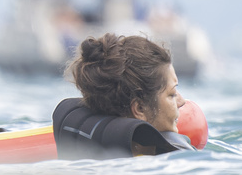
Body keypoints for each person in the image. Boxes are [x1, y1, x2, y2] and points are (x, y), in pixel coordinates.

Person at [63, 33, 192, 152]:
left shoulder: (72, 132)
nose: (181, 102)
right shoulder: (165, 158)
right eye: (172, 94)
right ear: (140, 108)